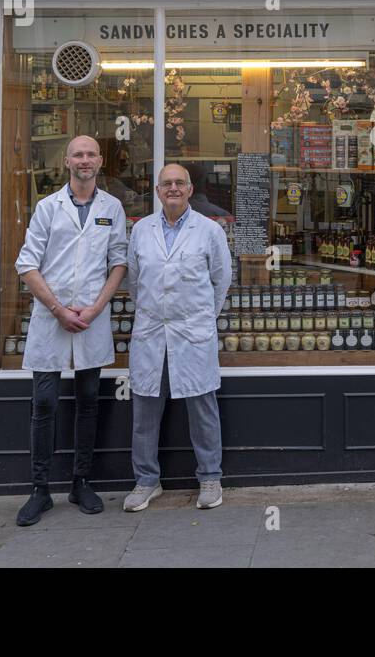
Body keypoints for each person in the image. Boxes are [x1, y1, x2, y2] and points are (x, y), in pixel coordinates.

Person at [14, 135, 128, 526]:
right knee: (43, 404)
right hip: (51, 318)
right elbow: (27, 265)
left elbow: (118, 264)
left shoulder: (112, 208)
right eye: (78, 154)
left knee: (89, 400)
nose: (85, 160)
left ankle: (81, 482)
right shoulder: (48, 208)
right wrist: (58, 309)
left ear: (100, 161)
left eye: (91, 154)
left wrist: (96, 308)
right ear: (67, 161)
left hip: (91, 320)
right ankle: (40, 490)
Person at [122, 163, 231, 512]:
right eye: (166, 183)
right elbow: (134, 283)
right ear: (157, 191)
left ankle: (210, 478)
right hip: (152, 332)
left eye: (179, 183)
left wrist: (198, 318)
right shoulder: (141, 231)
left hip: (192, 332)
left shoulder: (209, 231)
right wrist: (159, 312)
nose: (173, 188)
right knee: (145, 412)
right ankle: (146, 481)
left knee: (202, 408)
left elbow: (220, 281)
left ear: (189, 189)